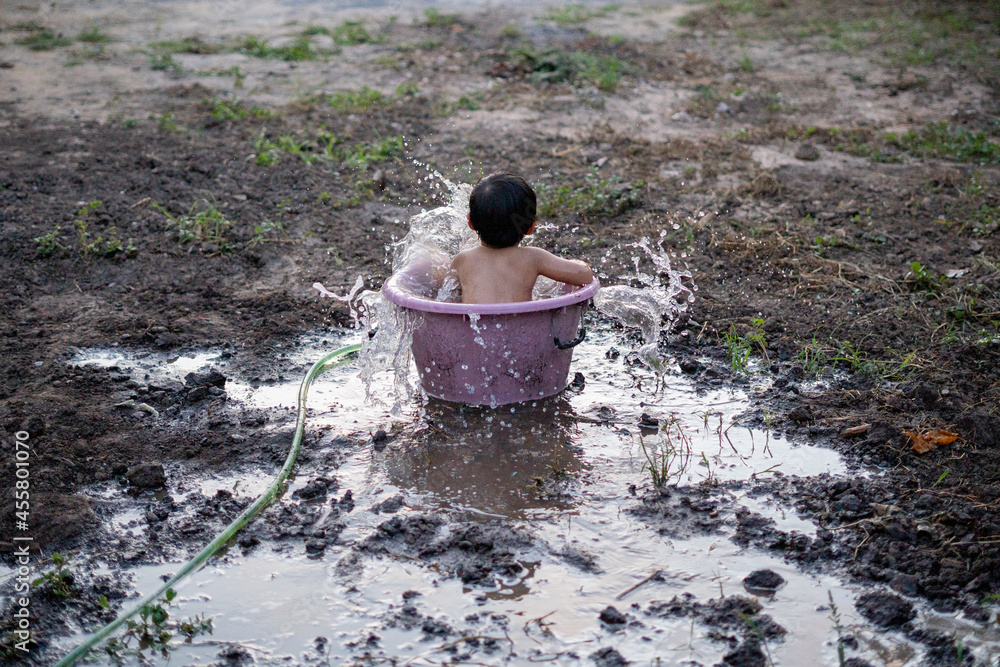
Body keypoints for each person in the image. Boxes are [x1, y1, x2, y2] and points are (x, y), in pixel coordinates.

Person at [451, 173, 594, 304]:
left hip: (472, 331)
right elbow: (585, 276)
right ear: (530, 227)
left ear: (470, 222)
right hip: (522, 330)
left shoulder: (462, 259)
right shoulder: (533, 257)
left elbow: (446, 295)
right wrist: (579, 263)